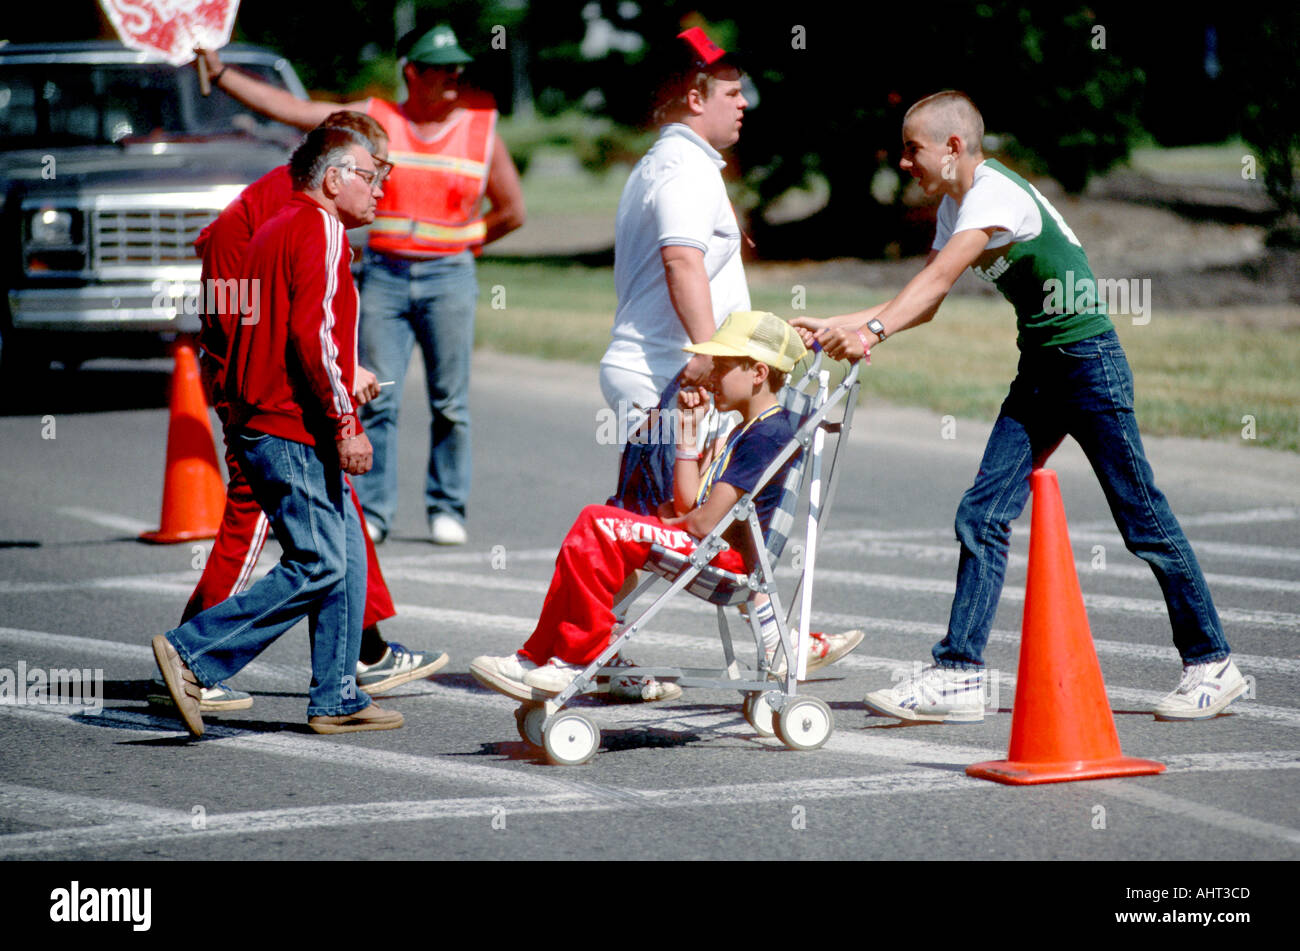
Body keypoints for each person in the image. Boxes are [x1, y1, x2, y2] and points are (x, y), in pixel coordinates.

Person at [792, 91, 1246, 723]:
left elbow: (937, 281)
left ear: (953, 147)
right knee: (981, 515)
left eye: (911, 149)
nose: (902, 163)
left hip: (1089, 364)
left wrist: (869, 334)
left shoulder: (993, 195)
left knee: (1142, 519)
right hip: (1042, 369)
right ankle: (959, 675)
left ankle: (1213, 664)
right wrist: (840, 323)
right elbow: (921, 300)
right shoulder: (958, 203)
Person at [148, 113, 446, 718]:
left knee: (348, 558)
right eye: (372, 175)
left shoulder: (278, 226)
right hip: (290, 427)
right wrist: (346, 423)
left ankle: (336, 694)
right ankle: (193, 653)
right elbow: (313, 338)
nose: (380, 189)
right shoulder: (320, 229)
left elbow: (284, 335)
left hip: (273, 418)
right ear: (335, 179)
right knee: (319, 562)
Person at [196, 23, 526, 546]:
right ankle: (373, 509)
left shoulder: (482, 127)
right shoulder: (374, 119)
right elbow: (294, 111)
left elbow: (513, 210)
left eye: (458, 69)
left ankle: (447, 507)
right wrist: (224, 74)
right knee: (375, 393)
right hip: (387, 276)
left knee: (450, 403)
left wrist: (465, 241)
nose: (454, 77)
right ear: (411, 72)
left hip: (450, 276)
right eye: (441, 68)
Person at [600, 29, 862, 677]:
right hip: (671, 374)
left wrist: (764, 342)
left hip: (677, 370)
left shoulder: (674, 163)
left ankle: (781, 643)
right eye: (731, 91)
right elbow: (682, 262)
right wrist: (708, 358)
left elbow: (701, 269)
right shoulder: (686, 169)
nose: (744, 103)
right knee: (655, 529)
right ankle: (582, 648)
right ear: (695, 97)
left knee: (731, 514)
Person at [471, 311, 818, 701]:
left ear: (758, 372)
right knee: (598, 525)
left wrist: (678, 520)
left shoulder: (768, 434)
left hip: (725, 559)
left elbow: (703, 523)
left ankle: (577, 657)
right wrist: (688, 433)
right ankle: (539, 654)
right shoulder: (744, 429)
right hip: (709, 548)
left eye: (721, 367)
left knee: (599, 523)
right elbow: (691, 503)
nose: (710, 377)